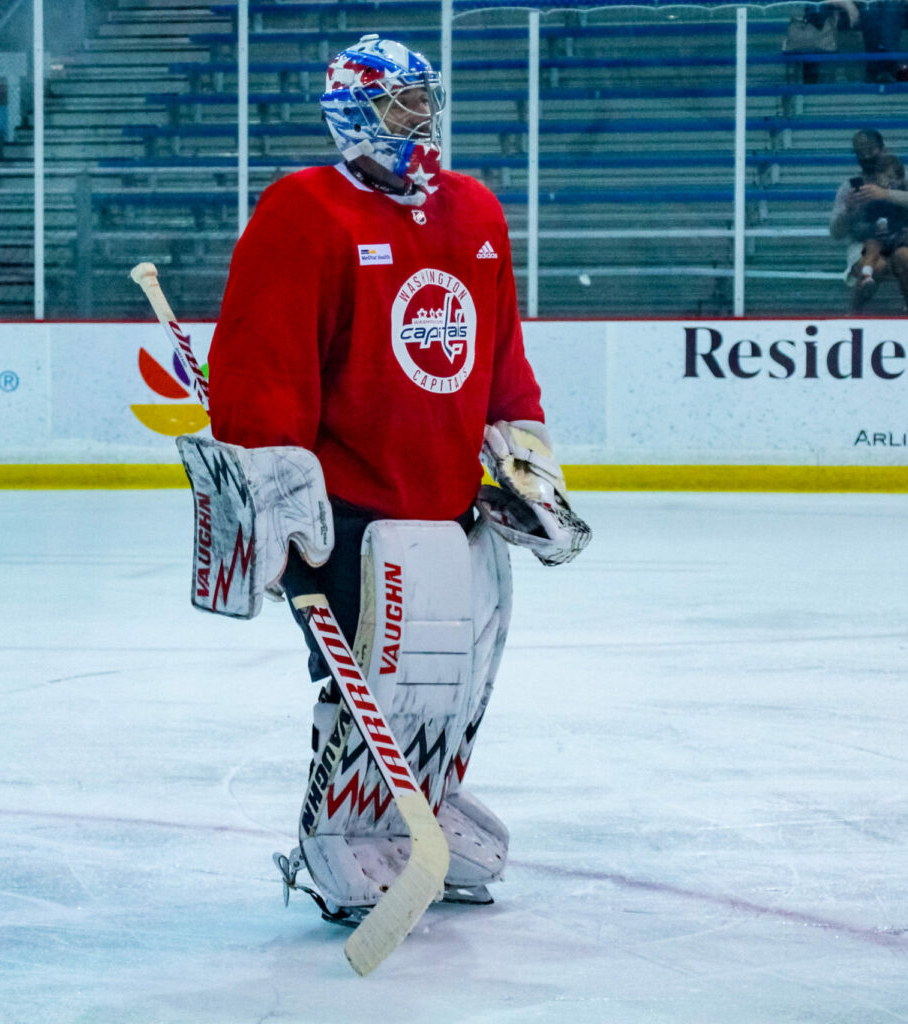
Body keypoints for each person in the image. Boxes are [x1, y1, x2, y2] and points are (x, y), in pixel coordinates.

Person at [194, 34, 589, 925]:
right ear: (351, 113)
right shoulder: (304, 211)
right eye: (398, 103)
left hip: (449, 500)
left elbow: (500, 351)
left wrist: (524, 459)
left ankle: (423, 810)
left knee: (454, 680)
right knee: (371, 682)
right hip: (347, 505)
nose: (419, 118)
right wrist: (271, 497)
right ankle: (339, 833)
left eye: (423, 100)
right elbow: (263, 363)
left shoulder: (474, 210)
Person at [830, 129, 908, 312]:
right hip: (864, 242)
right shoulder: (851, 185)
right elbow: (835, 232)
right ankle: (854, 312)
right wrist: (850, 211)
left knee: (906, 257)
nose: (866, 156)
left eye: (870, 150)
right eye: (860, 152)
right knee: (877, 265)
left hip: (899, 238)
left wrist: (886, 194)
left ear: (882, 149)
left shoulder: (902, 177)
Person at [847, 154, 908, 307]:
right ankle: (867, 275)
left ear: (900, 180)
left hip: (897, 235)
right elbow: (866, 219)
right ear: (876, 177)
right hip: (878, 236)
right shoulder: (870, 196)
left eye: (893, 178)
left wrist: (890, 198)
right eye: (885, 177)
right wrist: (860, 211)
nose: (888, 181)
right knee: (872, 248)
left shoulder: (901, 194)